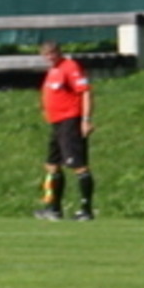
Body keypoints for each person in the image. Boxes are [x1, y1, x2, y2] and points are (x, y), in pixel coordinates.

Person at [35, 42, 95, 221]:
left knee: (77, 164)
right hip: (57, 123)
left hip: (70, 121)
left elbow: (85, 92)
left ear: (59, 52)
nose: (49, 57)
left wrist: (86, 120)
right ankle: (53, 208)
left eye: (52, 53)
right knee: (52, 165)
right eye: (46, 54)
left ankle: (86, 209)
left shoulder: (70, 67)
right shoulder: (53, 71)